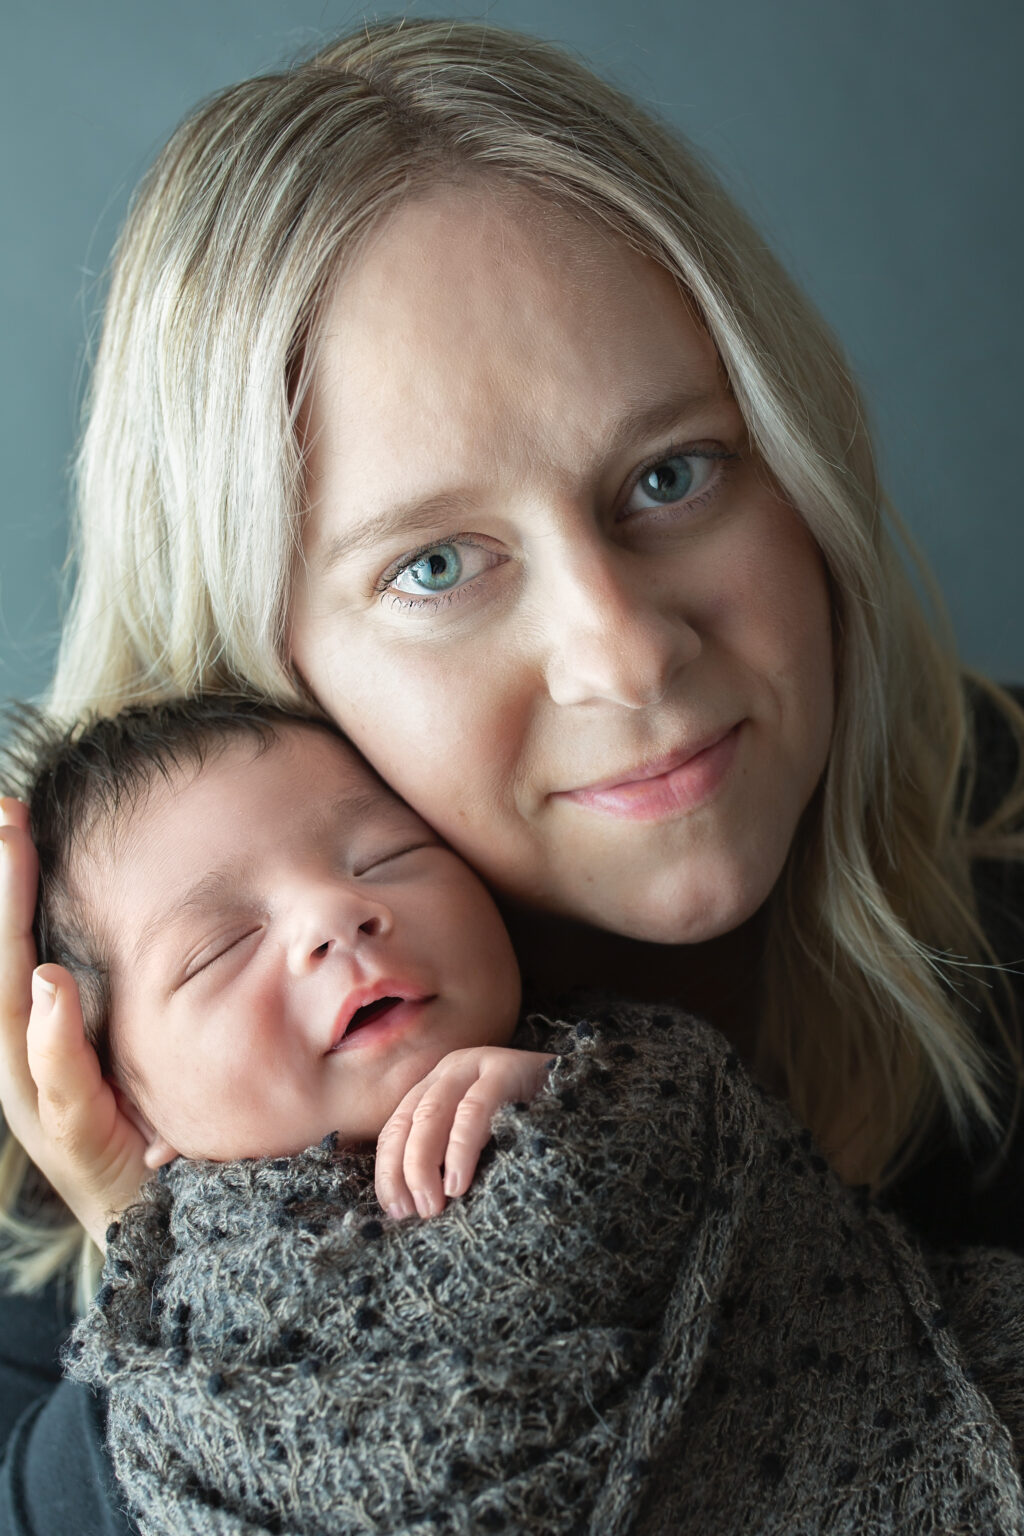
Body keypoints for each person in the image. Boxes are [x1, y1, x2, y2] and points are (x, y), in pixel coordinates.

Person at [0, 15, 1022, 1535]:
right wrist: (200, 1276)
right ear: (256, 665)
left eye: (670, 474)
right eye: (433, 565)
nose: (625, 655)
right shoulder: (84, 1109)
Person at [7, 695, 542, 1218]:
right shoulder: (181, 1292)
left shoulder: (606, 1069)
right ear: (128, 1106)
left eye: (385, 856)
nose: (333, 913)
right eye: (222, 947)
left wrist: (582, 1102)